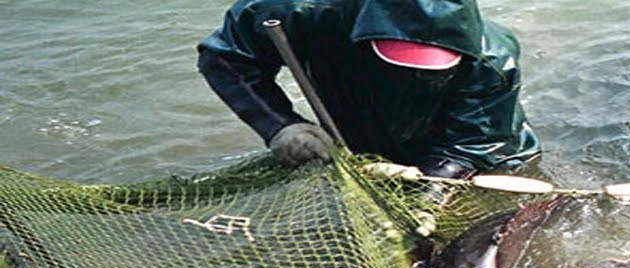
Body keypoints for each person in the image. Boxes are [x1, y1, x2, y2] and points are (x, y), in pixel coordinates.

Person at [197, 0, 540, 179]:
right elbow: (225, 59)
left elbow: (475, 143)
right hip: (360, 129)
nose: (412, 73)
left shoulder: (491, 58)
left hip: (487, 149)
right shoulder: (294, 12)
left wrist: (431, 183)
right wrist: (278, 125)